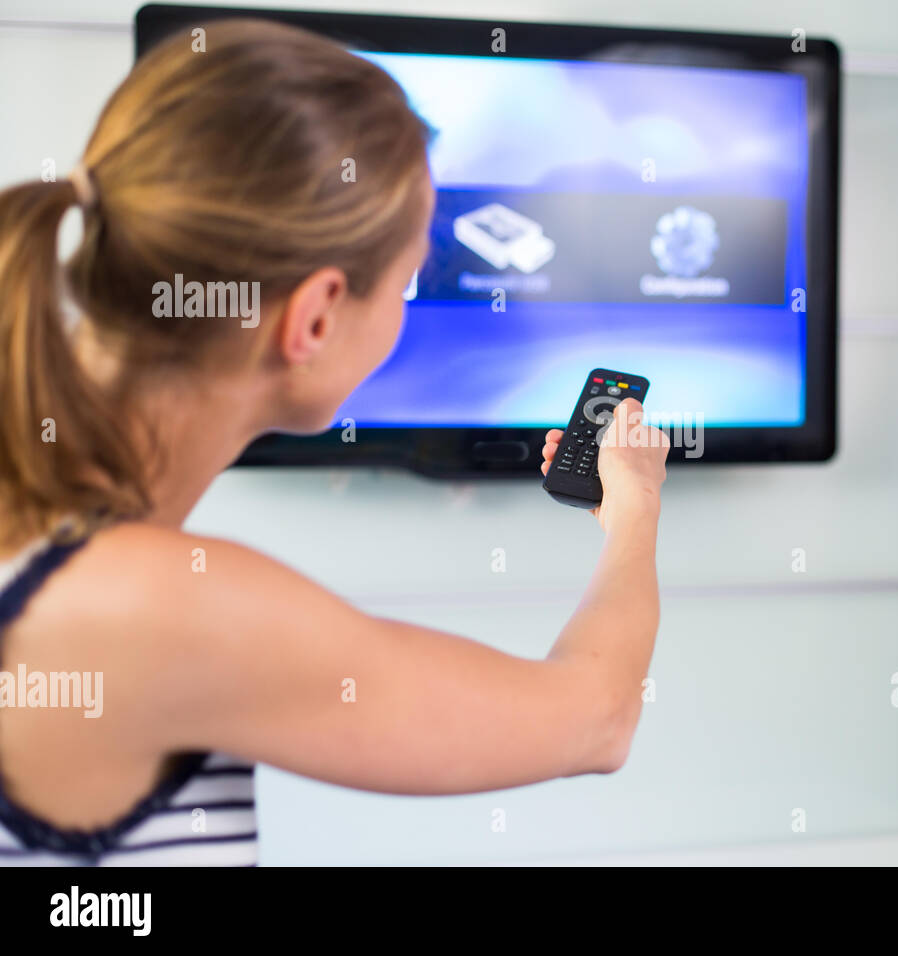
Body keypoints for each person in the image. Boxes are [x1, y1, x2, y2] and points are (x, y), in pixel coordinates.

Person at [0, 19, 668, 866]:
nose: (406, 307)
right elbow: (595, 719)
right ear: (313, 318)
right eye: (409, 279)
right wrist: (635, 506)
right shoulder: (161, 607)